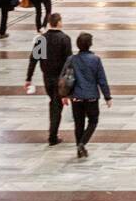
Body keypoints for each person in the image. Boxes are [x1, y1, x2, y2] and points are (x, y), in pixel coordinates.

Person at [24, 12, 72, 147]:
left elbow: (33, 60)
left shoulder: (42, 39)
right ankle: (52, 136)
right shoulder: (65, 39)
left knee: (54, 102)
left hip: (47, 78)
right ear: (59, 22)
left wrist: (29, 78)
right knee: (57, 105)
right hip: (60, 78)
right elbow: (69, 63)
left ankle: (53, 133)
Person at [67, 31, 111, 159]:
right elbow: (101, 79)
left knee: (78, 123)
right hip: (91, 96)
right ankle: (82, 143)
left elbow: (65, 77)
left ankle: (79, 149)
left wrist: (64, 95)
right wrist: (107, 96)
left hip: (76, 96)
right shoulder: (95, 60)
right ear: (90, 45)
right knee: (93, 120)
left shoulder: (71, 59)